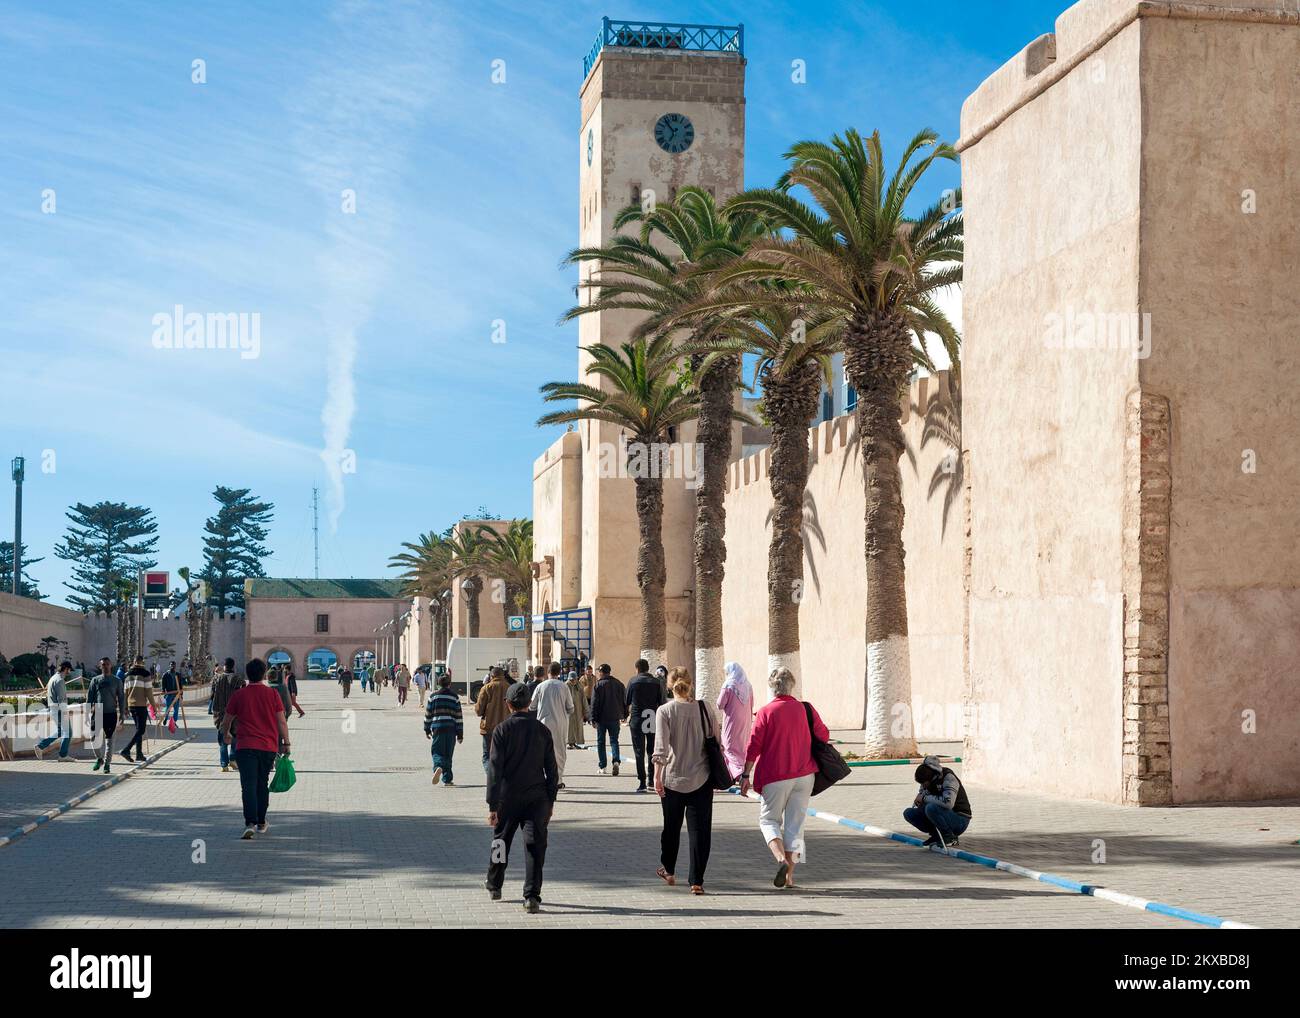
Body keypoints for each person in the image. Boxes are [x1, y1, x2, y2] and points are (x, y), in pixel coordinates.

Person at [739, 666, 829, 889]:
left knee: (768, 820)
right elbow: (824, 735)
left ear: (772, 687)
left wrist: (745, 774)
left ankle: (780, 860)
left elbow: (753, 746)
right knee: (796, 826)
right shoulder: (805, 709)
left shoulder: (766, 712)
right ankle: (790, 877)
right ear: (792, 685)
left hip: (775, 776)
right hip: (805, 774)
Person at [485, 682, 559, 913]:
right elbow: (552, 769)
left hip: (508, 798)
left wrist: (492, 805)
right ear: (529, 704)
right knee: (535, 846)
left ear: (508, 705)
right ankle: (532, 896)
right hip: (536, 798)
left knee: (500, 841)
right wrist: (550, 800)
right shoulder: (542, 731)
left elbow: (494, 770)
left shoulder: (501, 731)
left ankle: (495, 885)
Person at [651, 667, 720, 895]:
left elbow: (660, 747)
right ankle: (696, 881)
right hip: (702, 777)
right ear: (691, 684)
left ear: (670, 685)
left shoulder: (665, 710)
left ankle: (669, 870)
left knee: (671, 827)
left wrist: (656, 775)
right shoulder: (705, 708)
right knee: (700, 832)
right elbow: (716, 741)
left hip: (672, 778)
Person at [220, 658, 290, 839]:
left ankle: (249, 823)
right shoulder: (272, 694)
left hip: (244, 747)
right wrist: (286, 743)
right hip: (268, 747)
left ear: (247, 674)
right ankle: (261, 822)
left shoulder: (239, 695)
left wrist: (226, 734)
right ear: (264, 674)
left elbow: (226, 719)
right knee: (262, 784)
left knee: (248, 786)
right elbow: (281, 721)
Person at [903, 755, 973, 848]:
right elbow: (923, 796)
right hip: (944, 815)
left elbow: (948, 803)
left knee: (931, 808)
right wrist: (920, 800)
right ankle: (936, 835)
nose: (922, 785)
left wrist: (924, 798)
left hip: (959, 819)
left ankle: (950, 837)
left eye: (924, 783)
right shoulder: (927, 781)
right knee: (909, 813)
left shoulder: (948, 778)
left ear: (931, 776)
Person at [530, 663, 574, 789]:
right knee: (559, 752)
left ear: (547, 672)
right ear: (559, 672)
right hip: (560, 723)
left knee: (543, 752)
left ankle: (544, 778)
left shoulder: (540, 686)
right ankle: (558, 780)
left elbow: (532, 706)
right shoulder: (564, 687)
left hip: (543, 723)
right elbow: (570, 708)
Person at [625, 658, 665, 792]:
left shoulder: (633, 681)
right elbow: (662, 701)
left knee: (639, 751)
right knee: (652, 750)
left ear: (637, 669)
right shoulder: (656, 682)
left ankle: (641, 782)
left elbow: (627, 700)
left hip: (637, 719)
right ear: (648, 668)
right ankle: (651, 781)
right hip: (652, 718)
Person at [716, 661, 754, 782]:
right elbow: (752, 704)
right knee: (742, 745)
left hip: (732, 720)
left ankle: (737, 772)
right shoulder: (748, 685)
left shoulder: (728, 685)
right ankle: (737, 771)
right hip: (746, 720)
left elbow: (719, 704)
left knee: (729, 745)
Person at [424, 672, 464, 786]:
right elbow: (459, 716)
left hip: (437, 728)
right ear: (449, 684)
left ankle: (438, 767)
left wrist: (426, 729)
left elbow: (428, 714)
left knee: (437, 751)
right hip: (451, 728)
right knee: (448, 753)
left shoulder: (433, 696)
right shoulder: (454, 697)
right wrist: (460, 734)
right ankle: (447, 779)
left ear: (438, 683)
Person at [85, 657, 124, 773]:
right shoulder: (95, 680)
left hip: (111, 712)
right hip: (97, 711)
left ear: (111, 665)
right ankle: (99, 758)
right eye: (103, 665)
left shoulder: (117, 681)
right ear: (100, 666)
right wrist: (87, 712)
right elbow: (90, 697)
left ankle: (107, 764)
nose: (105, 666)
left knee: (110, 740)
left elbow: (121, 698)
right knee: (93, 737)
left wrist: (122, 713)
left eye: (107, 664)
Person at [588, 663, 626, 776]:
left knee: (601, 742)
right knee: (614, 740)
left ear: (601, 672)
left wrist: (593, 719)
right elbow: (624, 700)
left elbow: (594, 704)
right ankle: (616, 761)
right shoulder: (619, 684)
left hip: (601, 719)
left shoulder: (598, 685)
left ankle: (603, 766)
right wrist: (624, 715)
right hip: (614, 718)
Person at [34, 661, 74, 762]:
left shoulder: (52, 678)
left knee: (61, 731)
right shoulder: (60, 680)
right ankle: (63, 755)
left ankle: (40, 746)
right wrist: (65, 711)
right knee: (68, 732)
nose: (69, 672)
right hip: (59, 709)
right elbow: (61, 699)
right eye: (69, 670)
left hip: (53, 708)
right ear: (65, 669)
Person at [473, 666, 512, 772]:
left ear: (492, 676)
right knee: (504, 755)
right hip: (505, 728)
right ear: (503, 675)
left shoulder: (486, 688)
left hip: (488, 728)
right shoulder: (509, 687)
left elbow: (479, 711)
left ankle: (492, 778)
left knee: (487, 756)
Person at [210, 658, 246, 772]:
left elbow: (211, 696)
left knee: (222, 740)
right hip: (235, 714)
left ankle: (224, 764)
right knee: (235, 737)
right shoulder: (239, 680)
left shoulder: (216, 679)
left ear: (224, 666)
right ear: (233, 666)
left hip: (220, 714)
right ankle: (233, 760)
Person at [120, 656, 156, 765]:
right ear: (142, 662)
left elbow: (125, 693)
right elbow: (149, 692)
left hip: (131, 706)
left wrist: (125, 707)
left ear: (134, 662)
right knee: (141, 730)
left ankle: (139, 754)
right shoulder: (145, 674)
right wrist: (154, 706)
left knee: (138, 729)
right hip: (141, 705)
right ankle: (126, 750)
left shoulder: (127, 675)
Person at [565, 669, 588, 748]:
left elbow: (584, 699)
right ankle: (570, 742)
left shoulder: (579, 686)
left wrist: (586, 711)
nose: (573, 681)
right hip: (568, 709)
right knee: (570, 726)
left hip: (578, 708)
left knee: (578, 725)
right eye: (571, 680)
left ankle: (579, 741)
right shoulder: (565, 686)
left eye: (574, 679)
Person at [160, 661, 182, 727]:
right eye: (171, 665)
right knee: (168, 708)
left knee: (176, 709)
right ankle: (165, 718)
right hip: (169, 694)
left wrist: (181, 694)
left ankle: (174, 721)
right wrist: (163, 691)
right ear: (169, 666)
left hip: (176, 694)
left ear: (175, 666)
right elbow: (163, 684)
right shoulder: (166, 674)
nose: (173, 666)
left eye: (174, 665)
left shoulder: (178, 674)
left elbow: (180, 685)